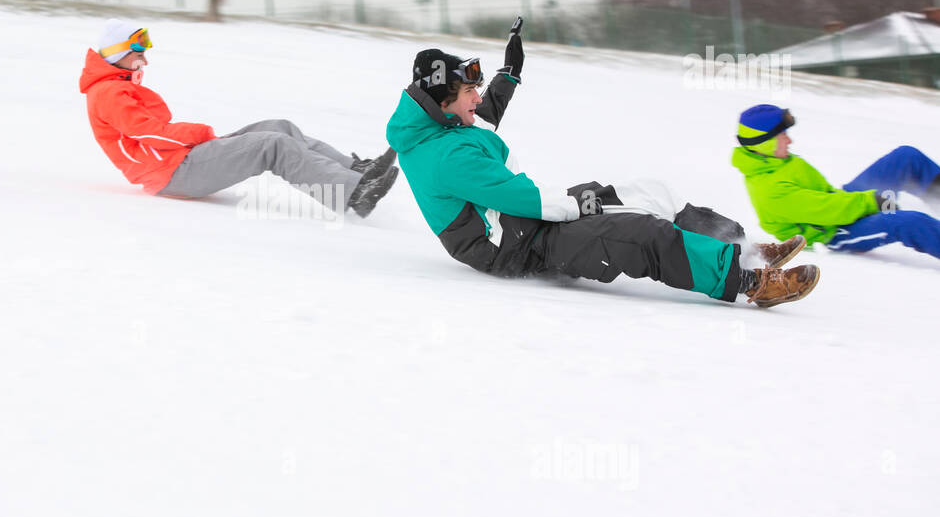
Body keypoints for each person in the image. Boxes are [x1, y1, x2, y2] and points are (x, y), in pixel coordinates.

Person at [384, 22, 820, 308]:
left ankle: (740, 247)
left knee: (652, 192)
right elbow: (526, 198)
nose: (477, 99)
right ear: (443, 104)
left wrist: (509, 73)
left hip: (522, 220)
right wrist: (585, 204)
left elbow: (482, 118)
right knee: (638, 233)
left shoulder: (439, 127)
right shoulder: (448, 157)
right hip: (517, 246)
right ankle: (751, 283)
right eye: (468, 93)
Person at [79, 19, 398, 217]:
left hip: (179, 161)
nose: (145, 60)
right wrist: (199, 133)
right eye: (139, 54)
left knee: (278, 127)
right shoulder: (109, 93)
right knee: (271, 145)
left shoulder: (116, 87)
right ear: (119, 53)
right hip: (172, 174)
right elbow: (150, 134)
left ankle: (358, 170)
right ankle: (356, 193)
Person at [731, 104, 940, 260]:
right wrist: (873, 202)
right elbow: (828, 211)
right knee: (908, 222)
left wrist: (867, 200)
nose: (790, 140)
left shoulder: (777, 160)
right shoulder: (769, 189)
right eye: (783, 135)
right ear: (765, 142)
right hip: (834, 235)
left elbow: (829, 199)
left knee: (906, 157)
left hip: (842, 204)